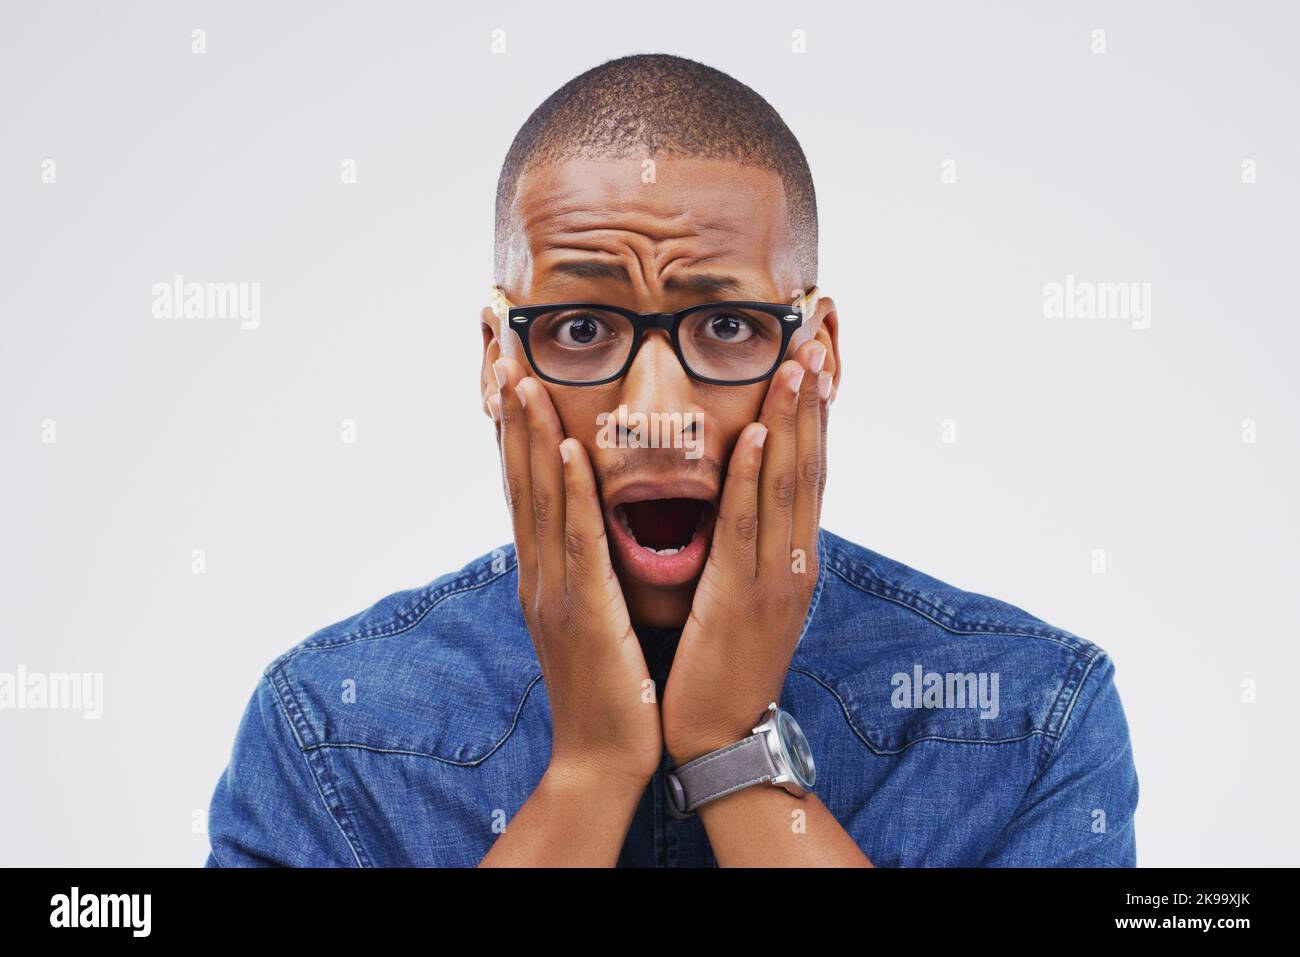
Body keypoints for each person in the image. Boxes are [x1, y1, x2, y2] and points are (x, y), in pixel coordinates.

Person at [205, 53, 1138, 867]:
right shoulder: (324, 730)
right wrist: (590, 771)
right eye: (579, 327)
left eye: (727, 325)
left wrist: (733, 750)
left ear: (819, 354)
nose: (656, 417)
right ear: (498, 361)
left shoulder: (1032, 720)